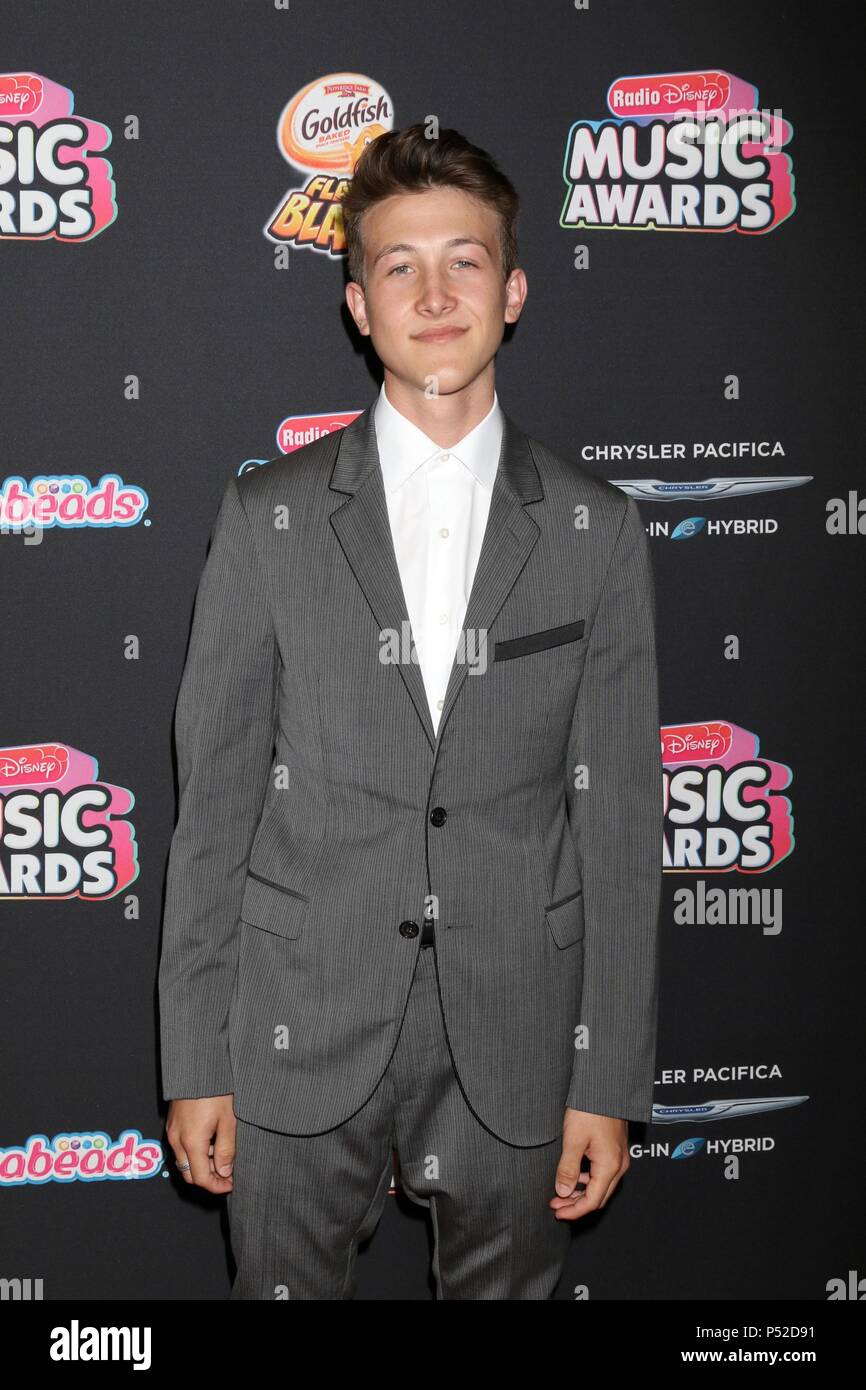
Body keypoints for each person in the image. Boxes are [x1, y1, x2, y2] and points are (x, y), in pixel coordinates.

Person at [158, 122, 663, 1300]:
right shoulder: (264, 518)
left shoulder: (599, 529)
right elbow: (215, 809)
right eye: (398, 266)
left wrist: (608, 1078)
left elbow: (624, 831)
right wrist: (195, 1057)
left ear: (514, 289)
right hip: (293, 1022)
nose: (433, 294)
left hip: (519, 1036)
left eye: (464, 260)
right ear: (356, 304)